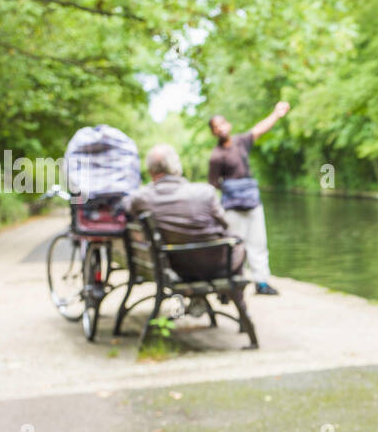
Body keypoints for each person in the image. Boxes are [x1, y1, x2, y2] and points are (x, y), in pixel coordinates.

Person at [124, 144, 245, 282]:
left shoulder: (141, 198)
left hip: (173, 268)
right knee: (238, 242)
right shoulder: (205, 192)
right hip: (215, 266)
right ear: (177, 168)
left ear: (151, 172)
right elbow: (225, 224)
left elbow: (126, 206)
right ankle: (236, 299)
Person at [207, 101, 290, 295]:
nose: (220, 129)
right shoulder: (216, 156)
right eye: (215, 127)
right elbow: (212, 184)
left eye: (222, 124)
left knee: (258, 243)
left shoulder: (241, 141)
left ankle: (261, 282)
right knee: (234, 246)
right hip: (233, 207)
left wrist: (277, 114)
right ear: (213, 132)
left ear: (229, 125)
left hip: (252, 203)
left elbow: (260, 129)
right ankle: (230, 285)